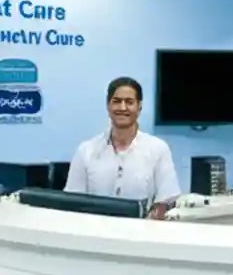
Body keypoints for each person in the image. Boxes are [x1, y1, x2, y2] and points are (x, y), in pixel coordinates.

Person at [64, 76, 180, 219]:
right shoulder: (86, 151)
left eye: (129, 102)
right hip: (94, 235)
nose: (122, 108)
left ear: (139, 106)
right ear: (108, 106)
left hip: (141, 235)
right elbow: (72, 202)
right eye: (117, 101)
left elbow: (166, 200)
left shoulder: (158, 149)